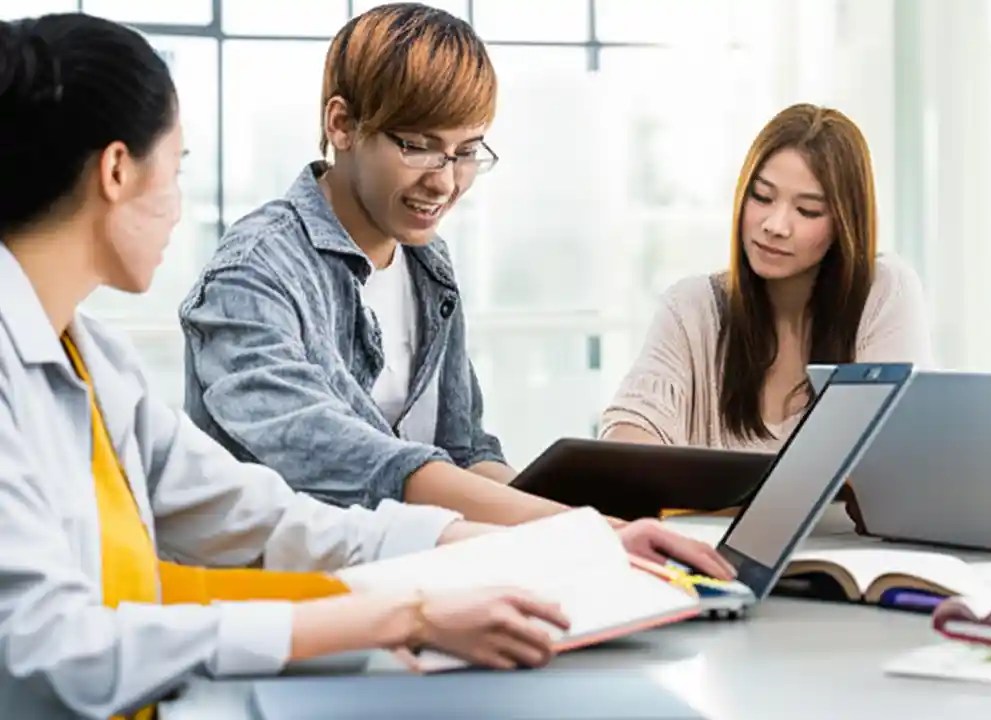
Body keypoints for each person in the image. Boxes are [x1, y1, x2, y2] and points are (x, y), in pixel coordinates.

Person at [0, 13, 589, 719]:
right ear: (119, 170)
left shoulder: (98, 363)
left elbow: (265, 518)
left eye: (466, 152)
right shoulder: (245, 274)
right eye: (178, 167)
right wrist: (399, 615)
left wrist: (540, 543)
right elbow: (54, 648)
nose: (180, 209)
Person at [176, 4, 733, 577]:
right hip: (282, 604)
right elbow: (356, 464)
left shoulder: (426, 260)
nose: (444, 182)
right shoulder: (251, 276)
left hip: (415, 580)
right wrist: (581, 533)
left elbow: (464, 451)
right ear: (341, 125)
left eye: (466, 151)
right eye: (417, 146)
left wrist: (586, 522)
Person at [599, 103, 931, 452]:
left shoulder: (883, 291)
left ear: (844, 224)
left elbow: (898, 449)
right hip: (702, 510)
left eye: (807, 210)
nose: (775, 225)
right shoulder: (691, 307)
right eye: (762, 196)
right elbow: (632, 426)